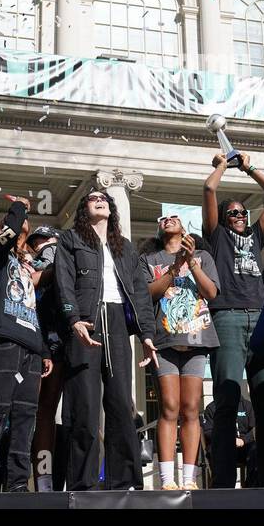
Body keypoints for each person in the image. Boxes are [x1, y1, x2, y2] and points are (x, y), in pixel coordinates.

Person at [54, 189, 158, 490]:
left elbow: (140, 294)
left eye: (104, 198)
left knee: (121, 405)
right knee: (84, 407)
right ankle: (82, 484)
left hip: (116, 324)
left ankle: (125, 480)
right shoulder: (71, 240)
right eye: (92, 198)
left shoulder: (125, 247)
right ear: (84, 209)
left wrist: (147, 335)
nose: (99, 199)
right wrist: (73, 320)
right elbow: (63, 282)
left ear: (111, 209)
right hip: (85, 322)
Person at [202, 150, 264, 488]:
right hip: (229, 318)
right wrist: (223, 166)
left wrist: (249, 168)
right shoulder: (217, 236)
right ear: (224, 218)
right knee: (227, 397)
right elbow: (209, 191)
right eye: (233, 212)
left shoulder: (255, 236)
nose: (238, 215)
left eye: (242, 212)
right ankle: (223, 482)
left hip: (261, 320)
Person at [0, 196, 53, 492]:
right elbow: (9, 231)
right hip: (4, 341)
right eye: (19, 231)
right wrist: (19, 207)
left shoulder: (25, 267)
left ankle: (17, 484)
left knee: (25, 419)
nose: (22, 235)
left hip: (30, 346)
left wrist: (43, 349)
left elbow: (32, 308)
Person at [145, 214, 220, 490]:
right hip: (164, 341)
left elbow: (211, 292)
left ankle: (189, 479)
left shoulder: (202, 255)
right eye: (163, 218)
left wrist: (192, 264)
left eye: (174, 217)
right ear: (159, 229)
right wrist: (174, 270)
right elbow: (148, 293)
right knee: (169, 407)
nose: (168, 219)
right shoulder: (150, 260)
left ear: (184, 229)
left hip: (197, 340)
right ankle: (167, 480)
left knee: (190, 409)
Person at [28, 225, 65, 491]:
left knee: (44, 412)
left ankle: (45, 481)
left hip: (55, 338)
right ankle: (44, 480)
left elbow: (38, 278)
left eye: (46, 241)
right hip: (45, 339)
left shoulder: (56, 252)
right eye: (36, 242)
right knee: (44, 412)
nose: (40, 246)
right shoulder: (36, 258)